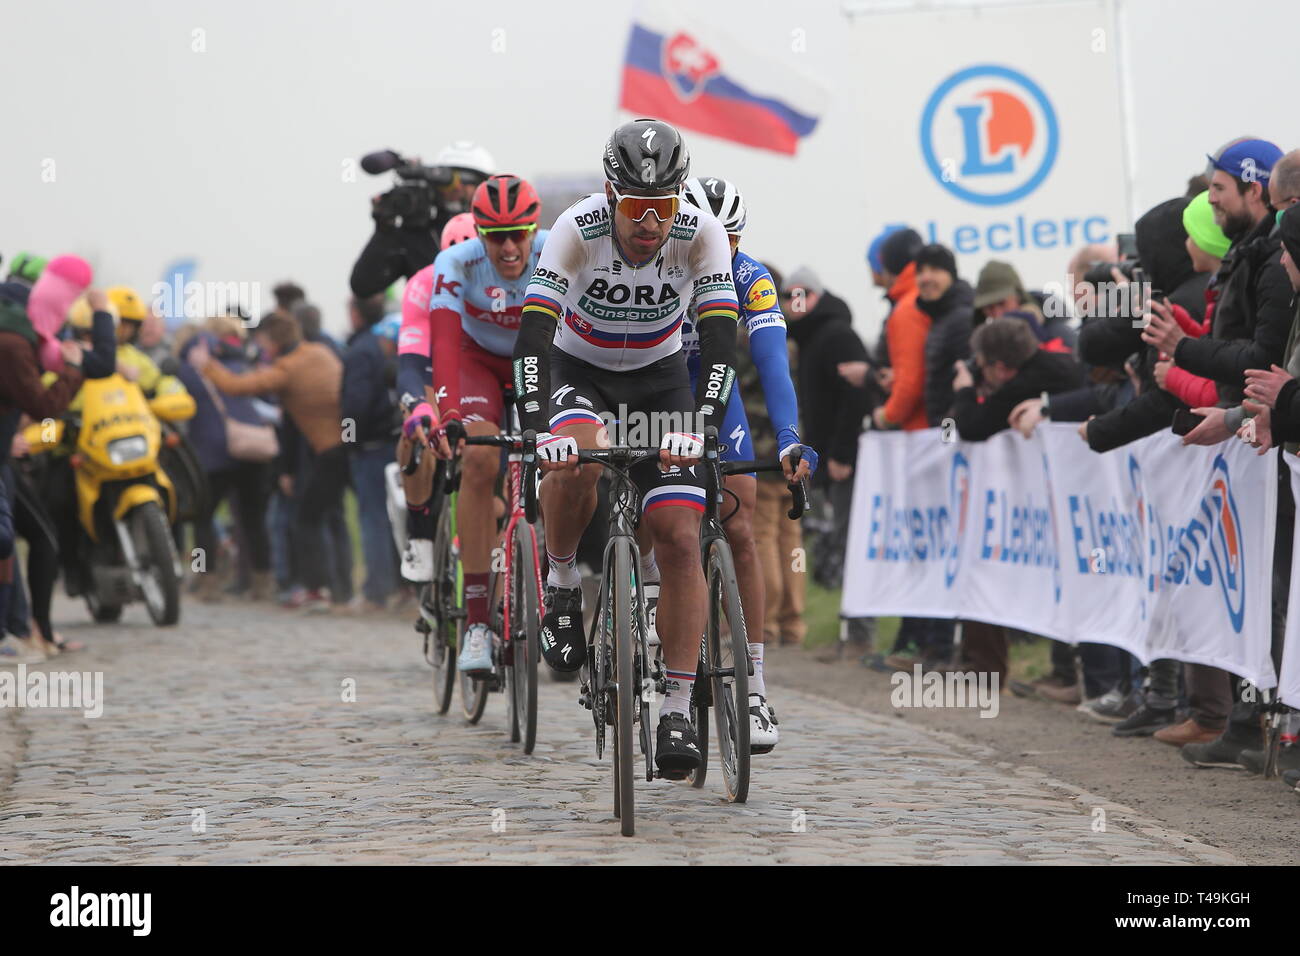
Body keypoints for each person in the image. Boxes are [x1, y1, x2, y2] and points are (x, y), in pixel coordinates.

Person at [511, 118, 741, 779]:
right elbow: (533, 338)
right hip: (578, 373)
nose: (650, 224)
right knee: (575, 460)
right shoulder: (574, 230)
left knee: (675, 530)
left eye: (663, 207)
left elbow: (722, 342)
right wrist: (537, 429)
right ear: (611, 196)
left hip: (660, 381)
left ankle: (673, 704)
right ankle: (560, 584)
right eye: (637, 208)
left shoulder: (701, 235)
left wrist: (700, 422)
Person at [678, 176, 816, 751]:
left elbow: (772, 362)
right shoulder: (656, 266)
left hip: (716, 387)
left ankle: (754, 687)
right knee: (663, 520)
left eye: (732, 240)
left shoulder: (751, 277)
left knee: (741, 520)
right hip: (657, 387)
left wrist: (788, 438)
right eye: (712, 239)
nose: (721, 252)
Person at [398, 174, 548, 675]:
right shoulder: (455, 263)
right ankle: (479, 623)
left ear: (535, 228)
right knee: (480, 458)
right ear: (480, 232)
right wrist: (450, 414)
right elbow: (440, 346)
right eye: (495, 236)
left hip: (537, 359)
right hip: (476, 361)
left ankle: (563, 589)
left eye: (518, 233)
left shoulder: (556, 252)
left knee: (566, 456)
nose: (508, 247)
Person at [190, 313, 349, 612]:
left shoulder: (286, 368)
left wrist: (205, 366)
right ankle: (341, 589)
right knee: (328, 518)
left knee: (306, 519)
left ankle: (316, 590)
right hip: (346, 444)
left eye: (263, 341)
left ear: (272, 342)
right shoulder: (319, 352)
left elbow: (237, 387)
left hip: (323, 449)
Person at [176, 316, 275, 602]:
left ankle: (206, 581)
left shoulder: (190, 371)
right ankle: (262, 581)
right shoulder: (244, 365)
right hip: (252, 449)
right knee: (254, 519)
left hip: (212, 454)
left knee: (202, 518)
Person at [350, 142, 495, 297]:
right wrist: (384, 230)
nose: (455, 190)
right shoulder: (418, 233)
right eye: (448, 183)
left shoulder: (500, 233)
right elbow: (363, 285)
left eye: (465, 181)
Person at [342, 294, 402, 611]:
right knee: (399, 518)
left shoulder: (360, 351)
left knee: (374, 518)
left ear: (355, 314)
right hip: (395, 442)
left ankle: (376, 591)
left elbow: (354, 405)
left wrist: (348, 442)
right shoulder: (384, 344)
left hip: (371, 448)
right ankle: (403, 588)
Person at [951, 318, 1085, 441]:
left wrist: (964, 390)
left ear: (1000, 369)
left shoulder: (1022, 387)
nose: (981, 372)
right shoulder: (1064, 361)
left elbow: (971, 428)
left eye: (983, 366)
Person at [915, 243, 974, 427]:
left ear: (951, 275)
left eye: (935, 269)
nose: (926, 278)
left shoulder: (962, 318)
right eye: (920, 271)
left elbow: (973, 381)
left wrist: (948, 428)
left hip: (957, 437)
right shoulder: (940, 317)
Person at [972, 259, 1075, 350]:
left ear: (1018, 296)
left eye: (1002, 303)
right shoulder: (985, 338)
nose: (998, 314)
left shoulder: (1058, 334)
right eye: (989, 307)